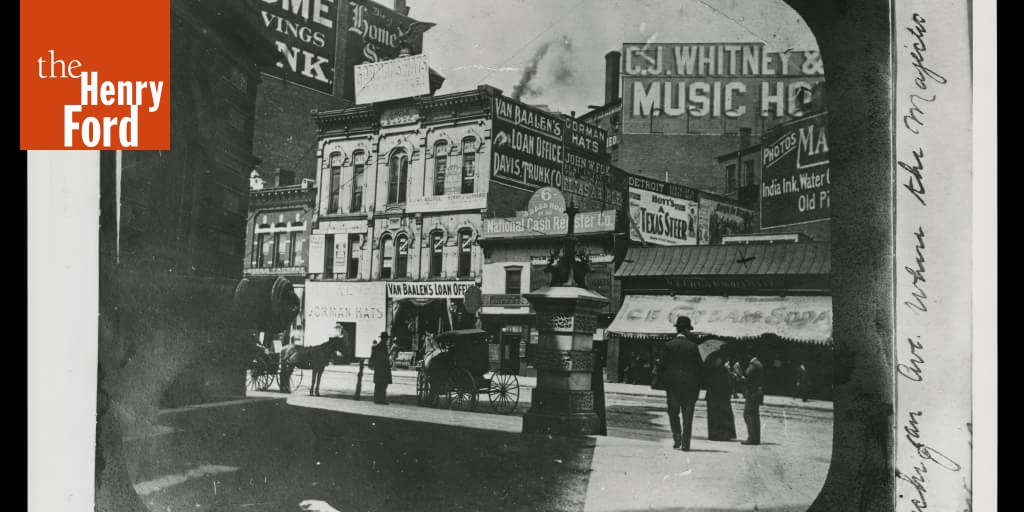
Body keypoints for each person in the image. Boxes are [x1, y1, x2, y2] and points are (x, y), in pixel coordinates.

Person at [656, 316, 703, 451]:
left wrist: (663, 381)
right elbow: (699, 368)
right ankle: (686, 443)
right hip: (690, 387)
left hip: (673, 387)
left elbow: (662, 366)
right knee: (688, 415)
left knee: (673, 412)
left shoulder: (669, 345)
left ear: (677, 329)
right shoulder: (693, 347)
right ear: (687, 330)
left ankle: (677, 438)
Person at [704, 353, 737, 441]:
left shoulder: (724, 370)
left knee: (723, 416)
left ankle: (724, 434)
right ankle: (715, 434)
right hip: (714, 396)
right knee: (714, 416)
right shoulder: (712, 370)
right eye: (717, 360)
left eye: (719, 360)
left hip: (721, 396)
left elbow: (728, 383)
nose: (718, 361)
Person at [742, 353, 765, 445]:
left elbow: (747, 373)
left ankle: (751, 438)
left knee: (748, 414)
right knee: (755, 416)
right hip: (756, 394)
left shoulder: (753, 364)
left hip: (752, 393)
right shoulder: (759, 363)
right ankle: (756, 438)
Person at [370, 332, 392, 405]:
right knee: (383, 384)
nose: (387, 339)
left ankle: (377, 399)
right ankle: (381, 399)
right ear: (385, 338)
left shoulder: (379, 346)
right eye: (386, 338)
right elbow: (384, 358)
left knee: (379, 384)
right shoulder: (383, 346)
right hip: (383, 368)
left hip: (379, 368)